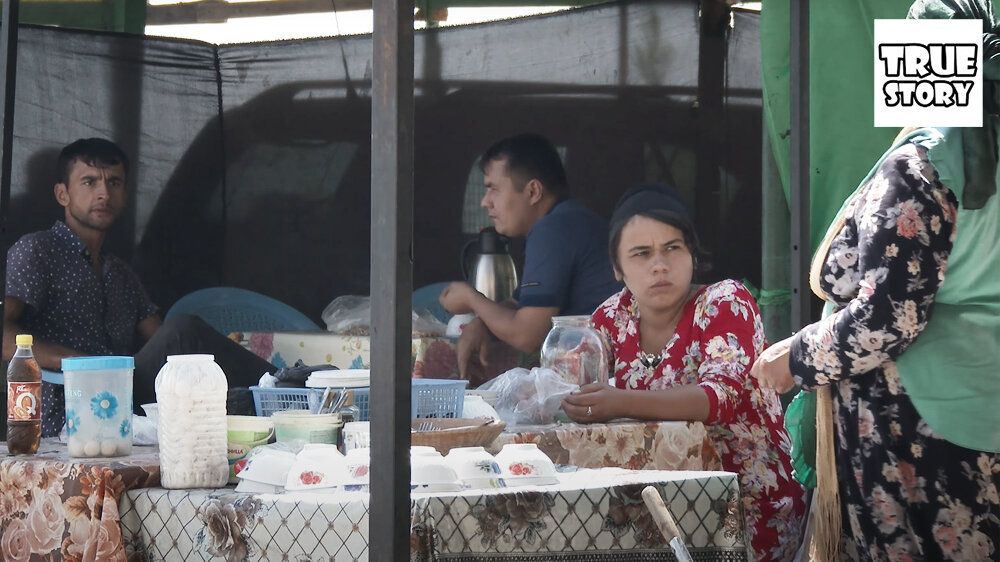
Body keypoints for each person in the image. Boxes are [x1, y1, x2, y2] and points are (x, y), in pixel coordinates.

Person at [751, 5, 1000, 560]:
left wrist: (794, 356)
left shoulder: (919, 167)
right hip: (982, 410)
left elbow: (887, 320)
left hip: (918, 434)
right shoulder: (985, 156)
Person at [561, 183, 806, 562]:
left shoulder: (724, 301)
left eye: (672, 248)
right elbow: (572, 382)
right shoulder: (611, 318)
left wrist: (619, 401)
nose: (659, 265)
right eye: (641, 254)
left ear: (692, 252)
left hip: (747, 505)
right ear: (617, 267)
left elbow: (718, 398)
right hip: (655, 508)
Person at [3, 138, 277, 437]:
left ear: (125, 195)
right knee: (183, 329)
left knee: (186, 342)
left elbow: (165, 343)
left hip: (127, 398)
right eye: (89, 182)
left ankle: (284, 392)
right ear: (63, 194)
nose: (104, 193)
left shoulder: (120, 272)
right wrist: (80, 363)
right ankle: (287, 385)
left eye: (115, 183)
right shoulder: (38, 250)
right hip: (70, 406)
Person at [439, 133, 621, 382]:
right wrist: (481, 324)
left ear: (533, 191)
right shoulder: (569, 221)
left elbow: (526, 336)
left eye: (493, 189)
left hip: (607, 382)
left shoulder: (555, 229)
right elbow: (518, 306)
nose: (484, 202)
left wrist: (472, 299)